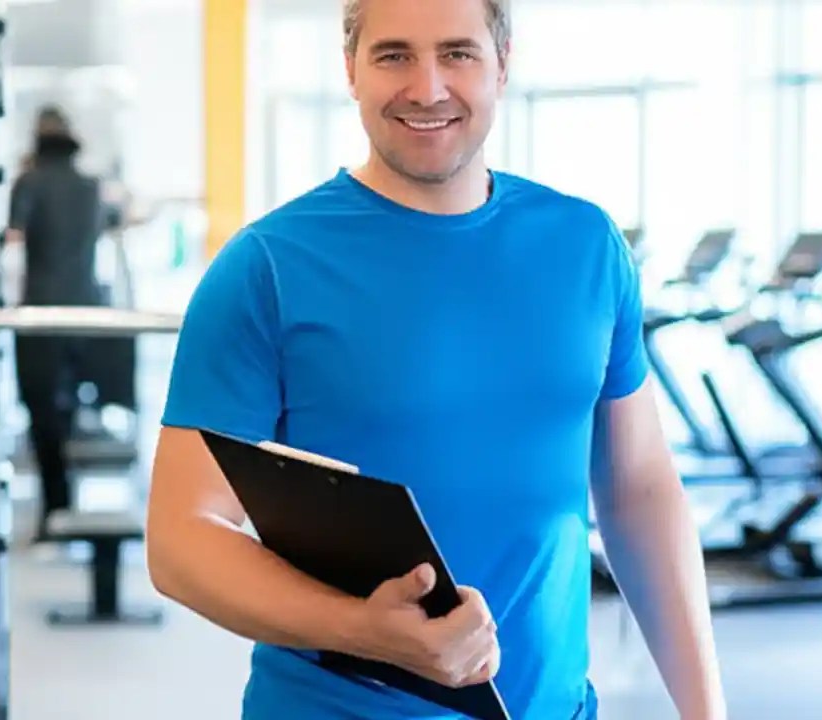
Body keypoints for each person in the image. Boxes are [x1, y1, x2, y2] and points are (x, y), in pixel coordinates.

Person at [145, 0, 727, 718]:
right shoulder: (266, 267)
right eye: (393, 56)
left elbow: (639, 489)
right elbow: (181, 539)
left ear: (501, 66)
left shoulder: (586, 245)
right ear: (351, 70)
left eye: (457, 53)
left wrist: (706, 710)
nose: (426, 88)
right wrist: (367, 631)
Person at [5, 105, 106, 539]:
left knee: (42, 412)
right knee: (68, 412)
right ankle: (70, 509)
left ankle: (56, 507)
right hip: (87, 312)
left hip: (40, 312)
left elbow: (11, 242)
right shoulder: (91, 187)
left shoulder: (28, 182)